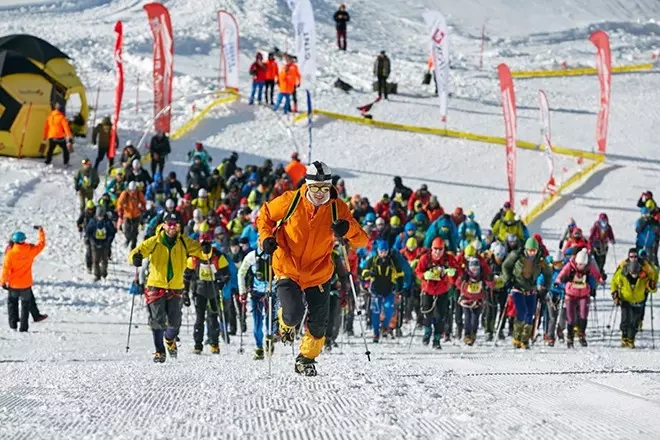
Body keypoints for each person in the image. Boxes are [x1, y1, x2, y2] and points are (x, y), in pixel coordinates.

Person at [257, 161, 368, 376]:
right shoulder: (290, 200)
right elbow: (265, 216)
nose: (319, 193)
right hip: (288, 266)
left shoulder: (337, 208)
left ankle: (306, 359)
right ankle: (286, 325)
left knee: (319, 322)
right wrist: (266, 238)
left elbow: (362, 241)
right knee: (293, 313)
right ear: (307, 185)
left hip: (318, 272)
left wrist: (347, 229)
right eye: (315, 188)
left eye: (324, 188)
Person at [129, 212, 212, 362]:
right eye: (170, 224)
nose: (173, 227)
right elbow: (136, 252)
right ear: (164, 225)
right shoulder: (154, 241)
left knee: (174, 322)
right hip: (156, 285)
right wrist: (136, 258)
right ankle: (159, 351)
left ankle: (169, 340)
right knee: (158, 320)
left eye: (176, 224)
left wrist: (207, 249)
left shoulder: (185, 242)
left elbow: (202, 252)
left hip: (175, 287)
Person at [502, 237, 552, 349]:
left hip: (531, 289)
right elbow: (506, 266)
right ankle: (516, 337)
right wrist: (508, 280)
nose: (532, 253)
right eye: (530, 250)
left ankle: (525, 340)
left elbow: (548, 274)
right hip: (517, 287)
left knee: (530, 314)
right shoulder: (517, 255)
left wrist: (546, 288)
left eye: (534, 250)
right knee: (522, 312)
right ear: (526, 249)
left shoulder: (540, 260)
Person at [183, 238, 230, 354]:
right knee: (199, 319)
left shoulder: (218, 256)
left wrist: (221, 282)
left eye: (207, 245)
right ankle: (198, 345)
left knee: (213, 317)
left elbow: (227, 274)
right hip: (199, 291)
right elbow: (186, 276)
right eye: (203, 245)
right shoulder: (194, 258)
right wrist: (185, 292)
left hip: (213, 291)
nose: (205, 247)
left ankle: (214, 344)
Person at [414, 237, 459, 348]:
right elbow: (418, 271)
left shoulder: (448, 259)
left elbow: (457, 271)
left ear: (444, 249)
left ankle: (437, 339)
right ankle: (427, 332)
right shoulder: (425, 258)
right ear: (431, 248)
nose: (438, 252)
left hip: (442, 291)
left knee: (441, 316)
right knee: (426, 312)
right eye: (435, 249)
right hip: (427, 290)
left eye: (440, 249)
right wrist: (424, 275)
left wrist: (452, 273)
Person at [237, 247, 279, 360]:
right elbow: (241, 273)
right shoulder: (252, 256)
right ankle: (259, 347)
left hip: (272, 292)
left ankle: (269, 339)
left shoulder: (276, 254)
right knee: (257, 321)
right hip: (256, 293)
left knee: (270, 320)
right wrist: (242, 291)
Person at [1, 227, 46, 332]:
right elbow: (41, 244)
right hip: (26, 284)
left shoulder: (10, 254)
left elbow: (5, 269)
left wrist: (3, 282)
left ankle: (13, 325)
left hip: (13, 285)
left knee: (12, 304)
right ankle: (23, 328)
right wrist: (41, 232)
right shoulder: (30, 250)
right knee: (25, 306)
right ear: (24, 240)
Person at [611, 248, 658, 348]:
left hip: (639, 300)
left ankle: (631, 339)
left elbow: (653, 286)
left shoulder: (644, 272)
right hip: (625, 299)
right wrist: (615, 294)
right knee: (625, 320)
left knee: (634, 322)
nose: (634, 275)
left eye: (636, 273)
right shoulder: (623, 271)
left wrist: (652, 285)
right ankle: (624, 337)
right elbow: (614, 282)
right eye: (631, 256)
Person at [557, 248, 603, 347]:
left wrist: (600, 279)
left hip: (584, 294)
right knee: (571, 317)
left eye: (583, 265)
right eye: (579, 264)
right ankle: (570, 337)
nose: (581, 267)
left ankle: (581, 335)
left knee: (583, 315)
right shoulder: (570, 265)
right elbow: (561, 275)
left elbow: (596, 274)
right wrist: (558, 281)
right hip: (570, 294)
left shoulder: (589, 267)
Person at [361, 240, 403, 342]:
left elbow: (400, 273)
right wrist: (369, 273)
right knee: (376, 311)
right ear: (378, 251)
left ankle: (384, 327)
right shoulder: (373, 259)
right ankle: (376, 333)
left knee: (389, 309)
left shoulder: (393, 260)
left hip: (389, 289)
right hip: (376, 289)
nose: (383, 253)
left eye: (385, 251)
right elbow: (364, 272)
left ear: (388, 251)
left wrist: (400, 286)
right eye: (381, 251)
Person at [85, 207, 116, 281]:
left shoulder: (107, 222)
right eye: (98, 216)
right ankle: (97, 275)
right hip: (95, 244)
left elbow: (112, 232)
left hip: (105, 244)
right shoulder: (93, 221)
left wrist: (109, 240)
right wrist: (91, 240)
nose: (100, 218)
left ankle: (104, 274)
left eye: (101, 216)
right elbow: (88, 232)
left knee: (104, 260)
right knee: (95, 260)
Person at [117, 181, 146, 250]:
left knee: (134, 232)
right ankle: (128, 239)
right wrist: (120, 212)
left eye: (134, 190)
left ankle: (133, 248)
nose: (132, 191)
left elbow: (143, 202)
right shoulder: (125, 194)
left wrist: (142, 208)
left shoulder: (139, 194)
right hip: (127, 216)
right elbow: (119, 203)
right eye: (131, 190)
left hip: (136, 216)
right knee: (127, 231)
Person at [588, 212, 615, 277]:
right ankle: (597, 273)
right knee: (598, 260)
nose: (604, 222)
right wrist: (590, 247)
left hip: (604, 246)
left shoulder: (608, 227)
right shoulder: (596, 226)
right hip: (597, 245)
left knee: (603, 259)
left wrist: (612, 239)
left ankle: (601, 270)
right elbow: (591, 237)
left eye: (605, 220)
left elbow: (610, 235)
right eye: (602, 220)